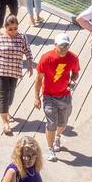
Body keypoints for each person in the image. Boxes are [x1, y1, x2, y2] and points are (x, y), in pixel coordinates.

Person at [0, 13, 34, 135]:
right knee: (4, 94)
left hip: (15, 71)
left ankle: (6, 110)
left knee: (11, 95)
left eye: (15, 28)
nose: (13, 31)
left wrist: (30, 65)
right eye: (10, 29)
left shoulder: (21, 37)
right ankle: (5, 122)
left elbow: (27, 50)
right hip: (0, 70)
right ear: (5, 27)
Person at [34, 33, 79, 161]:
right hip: (49, 96)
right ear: (55, 45)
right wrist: (36, 97)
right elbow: (38, 79)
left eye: (66, 45)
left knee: (63, 123)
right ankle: (50, 150)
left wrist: (73, 80)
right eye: (61, 45)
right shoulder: (46, 58)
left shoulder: (73, 58)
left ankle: (57, 137)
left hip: (65, 96)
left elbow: (75, 72)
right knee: (51, 123)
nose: (64, 48)